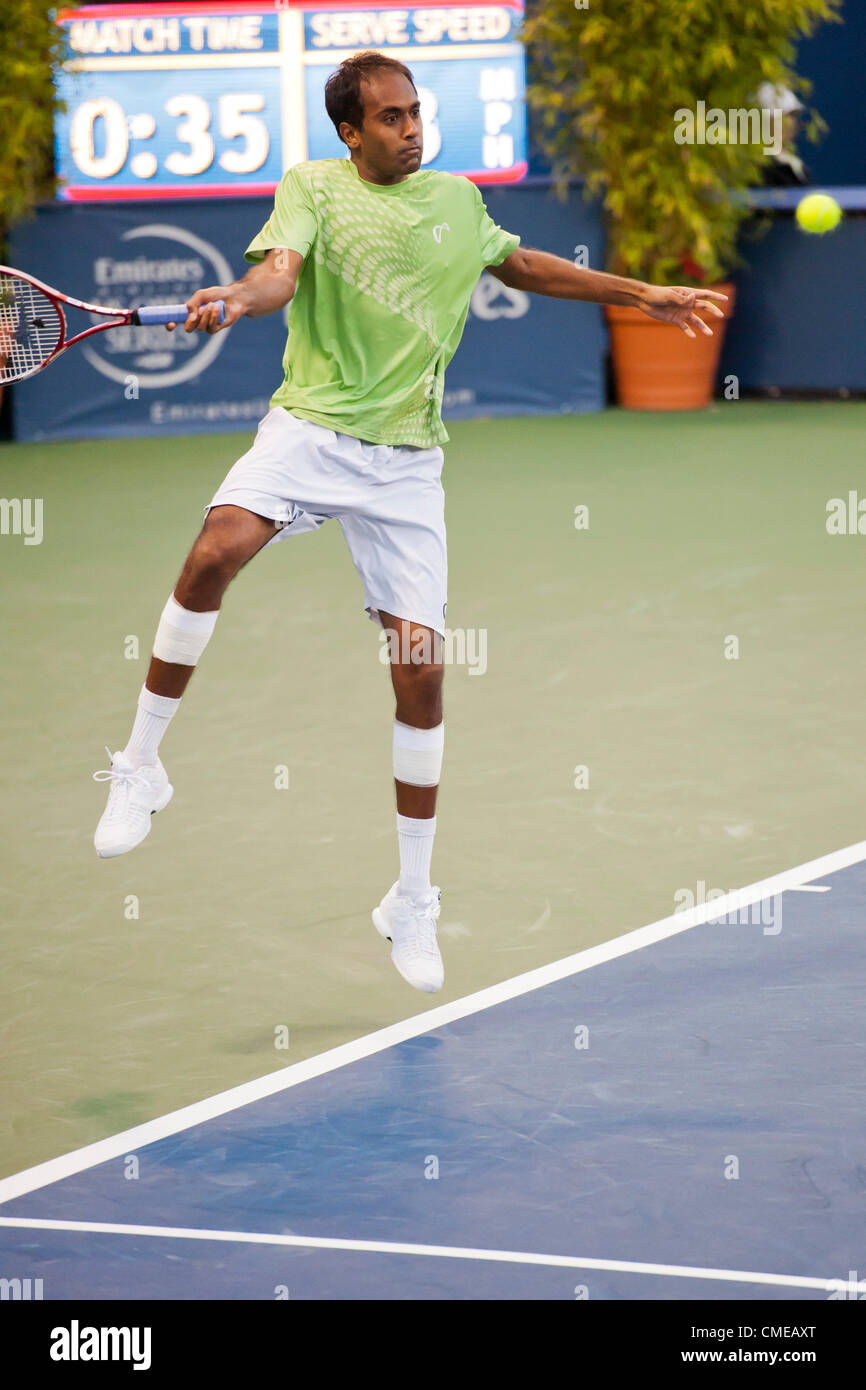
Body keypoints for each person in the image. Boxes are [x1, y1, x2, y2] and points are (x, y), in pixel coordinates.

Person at [93, 49, 726, 994]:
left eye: (415, 113)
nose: (411, 129)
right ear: (350, 131)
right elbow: (276, 276)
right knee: (214, 552)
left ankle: (412, 900)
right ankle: (142, 766)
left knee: (423, 671)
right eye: (389, 118)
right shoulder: (310, 186)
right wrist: (235, 297)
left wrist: (641, 291)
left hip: (405, 465)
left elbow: (523, 266)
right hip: (309, 430)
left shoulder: (457, 201)